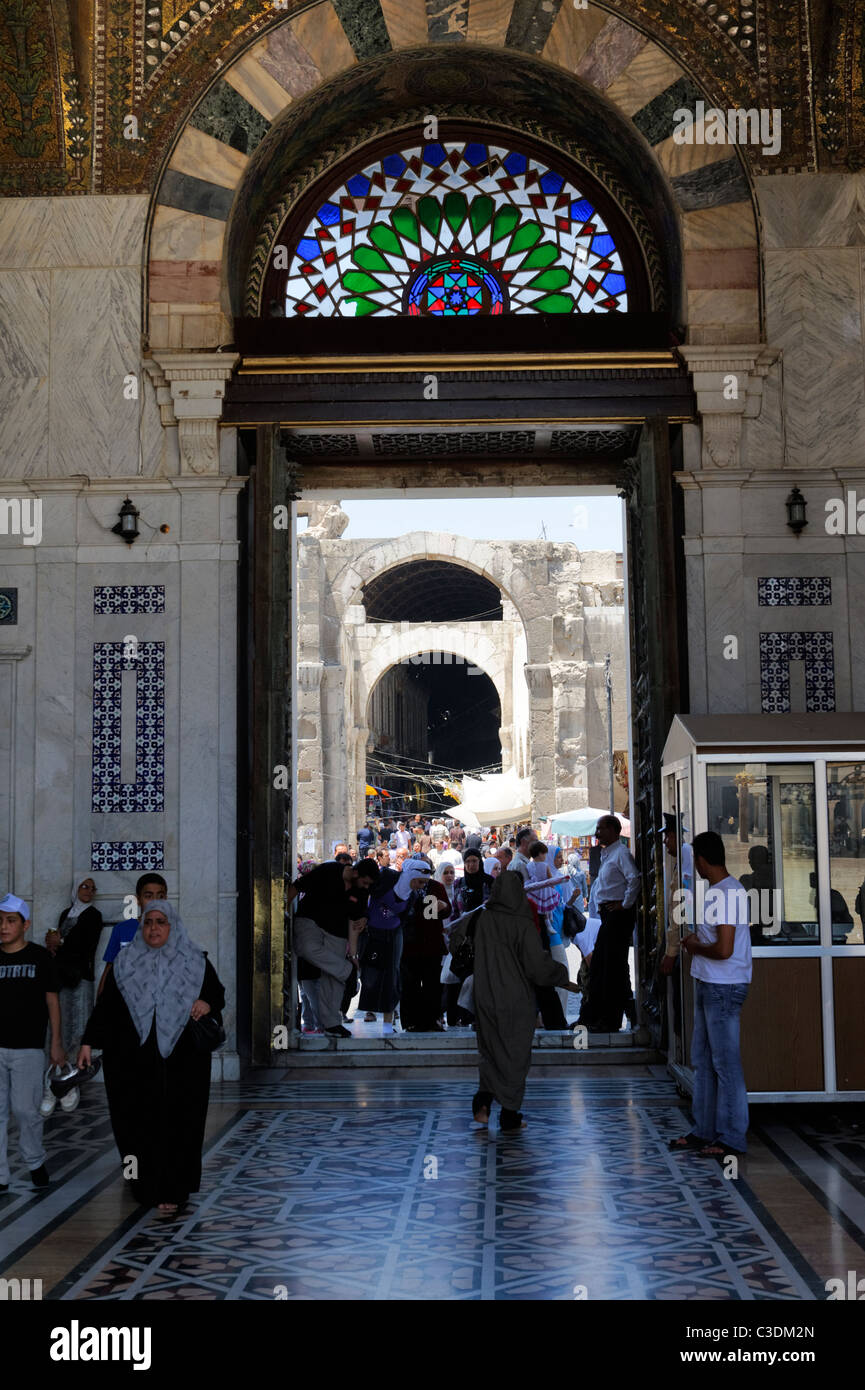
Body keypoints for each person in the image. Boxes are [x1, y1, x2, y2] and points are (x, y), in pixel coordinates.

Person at [78, 901, 225, 1216]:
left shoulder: (195, 961)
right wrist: (88, 1042)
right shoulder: (126, 961)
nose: (154, 928)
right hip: (133, 1059)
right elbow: (107, 1007)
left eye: (161, 922)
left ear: (173, 925)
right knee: (135, 1121)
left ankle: (175, 1186)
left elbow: (217, 994)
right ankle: (142, 1184)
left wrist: (206, 1003)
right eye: (148, 923)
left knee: (181, 1121)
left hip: (183, 1061)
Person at [449, 872, 579, 1130]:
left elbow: (455, 944)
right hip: (516, 998)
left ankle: (483, 1103)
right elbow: (536, 965)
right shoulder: (522, 923)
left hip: (485, 995)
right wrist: (561, 976)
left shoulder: (481, 916)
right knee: (515, 1054)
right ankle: (509, 1113)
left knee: (490, 1049)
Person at [670, 831, 752, 1160]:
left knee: (725, 1064)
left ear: (703, 860)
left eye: (696, 860)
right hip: (709, 983)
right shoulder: (719, 892)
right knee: (703, 1063)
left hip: (723, 986)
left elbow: (724, 948)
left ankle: (732, 1136)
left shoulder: (727, 893)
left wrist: (693, 946)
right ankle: (703, 1129)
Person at [0, 894, 63, 1190]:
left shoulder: (39, 957)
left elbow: (52, 1001)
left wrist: (56, 1043)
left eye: (10, 921)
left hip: (28, 1048)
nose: (3, 926)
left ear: (25, 924)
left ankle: (35, 1161)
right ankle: (0, 1176)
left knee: (26, 1110)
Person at [288, 858, 379, 1037]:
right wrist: (278, 910)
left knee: (334, 979)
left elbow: (354, 923)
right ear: (355, 873)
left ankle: (331, 1024)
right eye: (365, 882)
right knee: (305, 947)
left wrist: (353, 956)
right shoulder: (328, 870)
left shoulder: (360, 892)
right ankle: (346, 971)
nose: (366, 887)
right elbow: (296, 887)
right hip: (310, 921)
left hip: (337, 933)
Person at [583, 816, 641, 1033]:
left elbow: (634, 878)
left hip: (617, 917)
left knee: (611, 967)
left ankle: (610, 1019)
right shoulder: (608, 854)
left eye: (601, 829)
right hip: (607, 915)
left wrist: (624, 904)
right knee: (604, 965)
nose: (597, 833)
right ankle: (600, 1015)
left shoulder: (621, 854)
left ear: (613, 830)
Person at [360, 857, 431, 1026]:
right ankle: (370, 1010)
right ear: (411, 875)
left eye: (424, 883)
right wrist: (362, 916)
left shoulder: (413, 894)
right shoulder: (387, 877)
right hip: (372, 933)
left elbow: (406, 916)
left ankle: (387, 1022)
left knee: (392, 975)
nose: (421, 886)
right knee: (370, 974)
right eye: (420, 882)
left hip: (394, 933)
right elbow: (364, 892)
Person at [45, 875, 104, 1071]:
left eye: (92, 888)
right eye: (84, 886)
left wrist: (59, 943)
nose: (88, 891)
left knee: (79, 1029)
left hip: (80, 978)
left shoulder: (94, 915)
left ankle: (73, 1079)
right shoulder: (66, 914)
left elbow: (84, 945)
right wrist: (53, 945)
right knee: (60, 1027)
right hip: (62, 978)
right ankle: (58, 1074)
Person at [97, 873, 168, 995]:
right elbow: (110, 968)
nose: (155, 901)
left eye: (160, 896)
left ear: (165, 899)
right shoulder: (122, 929)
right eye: (148, 896)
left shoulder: (173, 930)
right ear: (138, 900)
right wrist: (100, 1002)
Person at [400, 860, 450, 1031]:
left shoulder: (435, 887)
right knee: (410, 985)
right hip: (409, 945)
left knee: (432, 985)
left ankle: (432, 1020)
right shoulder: (404, 887)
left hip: (431, 944)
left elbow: (445, 909)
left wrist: (443, 907)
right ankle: (411, 1021)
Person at [455, 851, 490, 915]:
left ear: (479, 862)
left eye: (474, 861)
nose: (471, 864)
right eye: (467, 861)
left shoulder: (490, 881)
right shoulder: (459, 883)